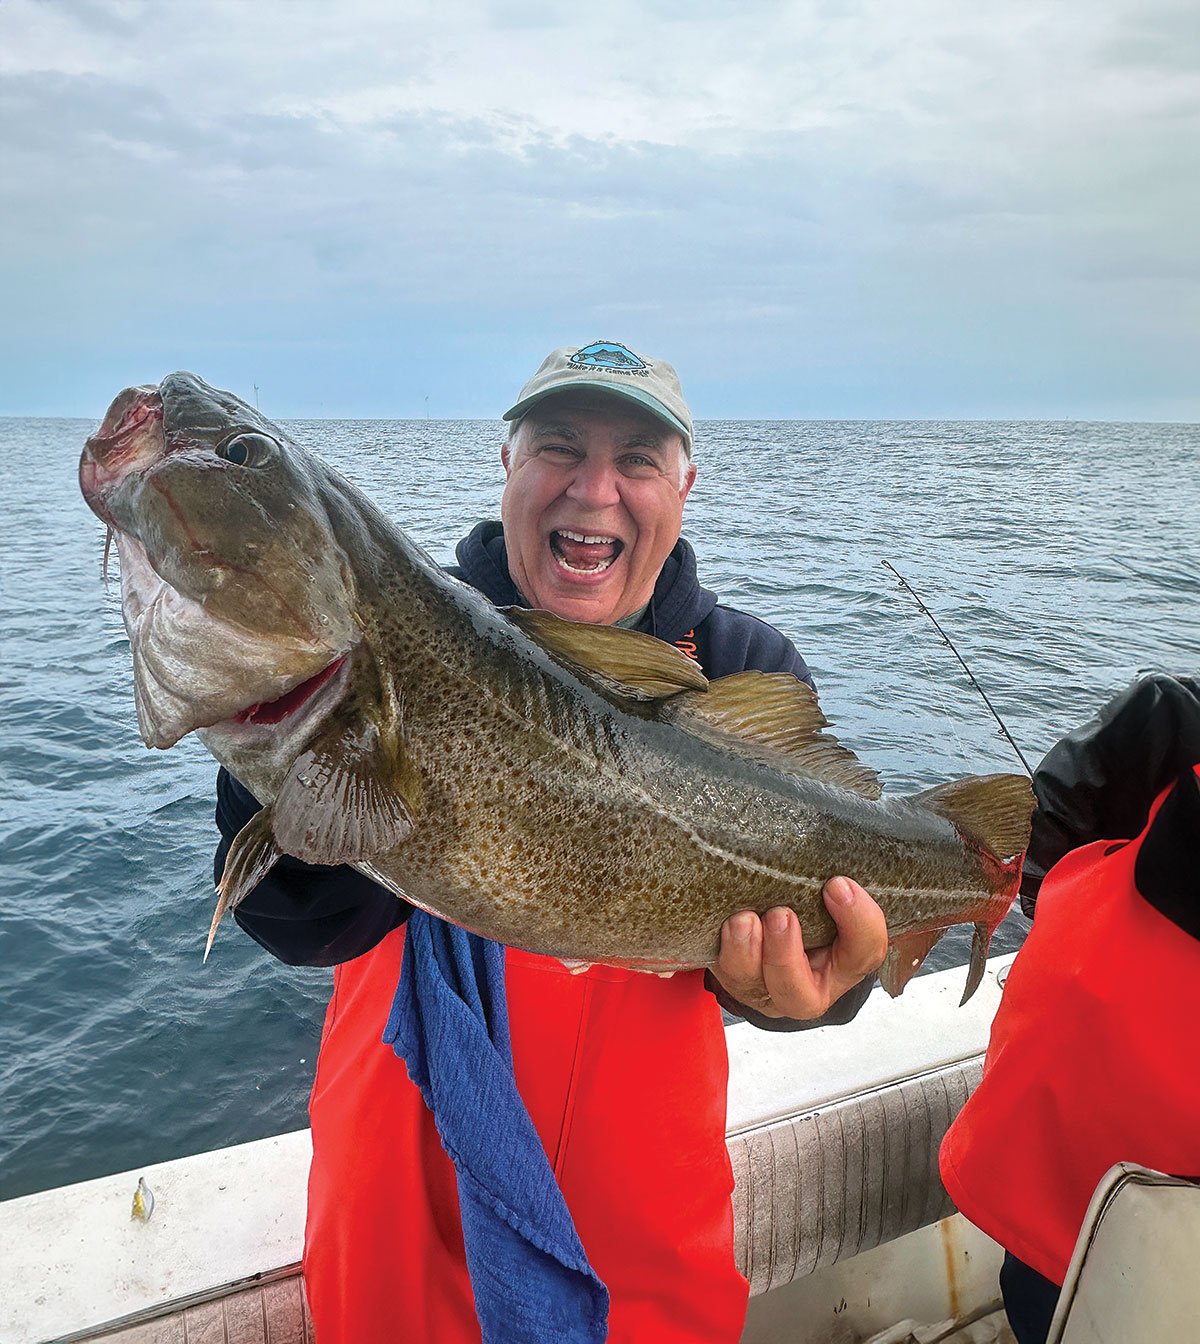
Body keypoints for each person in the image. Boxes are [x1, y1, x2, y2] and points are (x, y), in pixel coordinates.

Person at [215, 341, 889, 1342]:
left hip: (645, 1267)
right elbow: (309, 923)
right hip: (400, 1242)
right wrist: (282, 719)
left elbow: (809, 930)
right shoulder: (389, 634)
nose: (595, 489)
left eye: (638, 460)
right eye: (560, 447)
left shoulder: (744, 671)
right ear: (508, 464)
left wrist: (815, 998)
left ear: (685, 487)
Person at [939, 672, 1200, 1344]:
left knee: (1049, 1295)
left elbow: (1050, 817)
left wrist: (1044, 896)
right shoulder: (1170, 717)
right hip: (1101, 1158)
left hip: (1064, 1149)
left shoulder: (1167, 717)